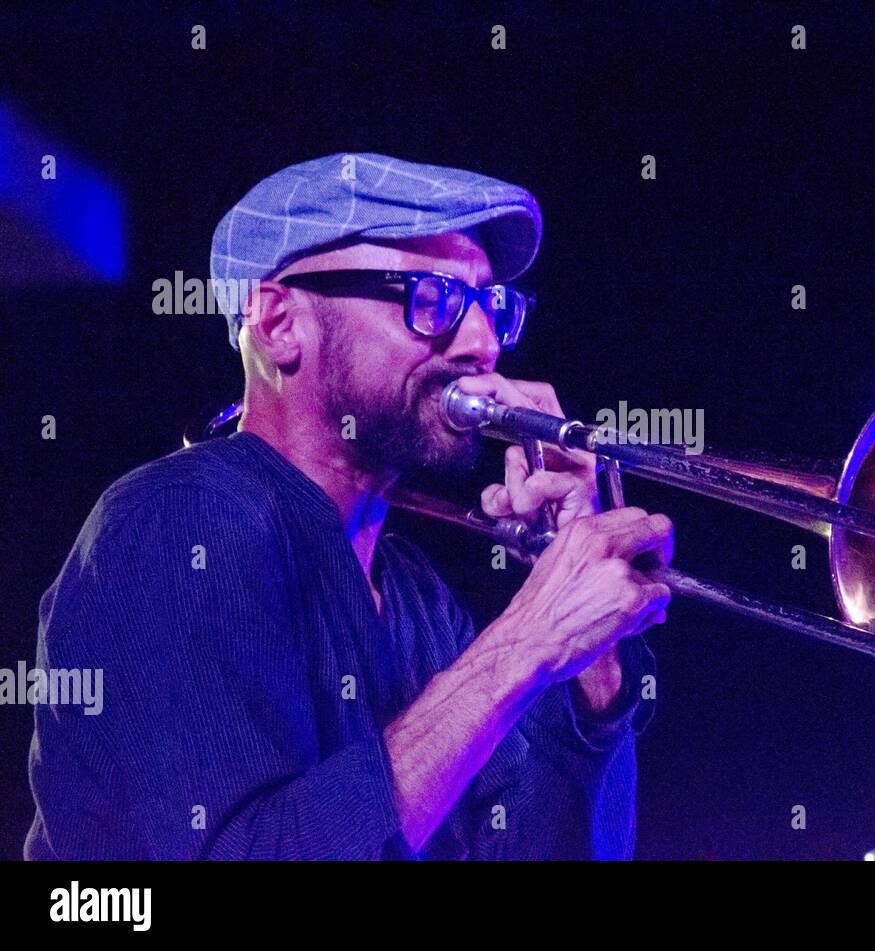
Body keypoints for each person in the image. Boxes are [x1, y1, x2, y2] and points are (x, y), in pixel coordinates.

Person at [25, 153, 672, 860]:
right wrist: (525, 640)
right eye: (431, 298)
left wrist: (590, 651)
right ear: (278, 322)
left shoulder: (416, 593)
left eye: (490, 304)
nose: (484, 342)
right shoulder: (180, 521)